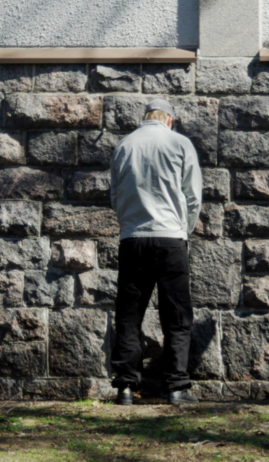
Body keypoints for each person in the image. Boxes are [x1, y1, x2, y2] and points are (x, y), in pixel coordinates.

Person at [109, 98, 203, 405]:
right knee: (176, 316)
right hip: (170, 239)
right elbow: (192, 196)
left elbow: (115, 195)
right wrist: (182, 231)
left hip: (132, 239)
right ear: (170, 120)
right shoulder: (180, 144)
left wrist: (128, 226)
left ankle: (125, 387)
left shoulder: (124, 145)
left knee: (129, 315)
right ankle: (175, 387)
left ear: (146, 117)